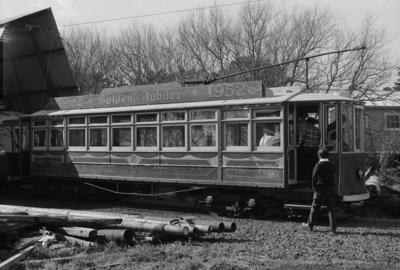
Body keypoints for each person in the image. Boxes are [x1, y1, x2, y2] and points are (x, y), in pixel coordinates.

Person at [302, 148, 337, 234]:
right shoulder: (331, 164)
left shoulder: (318, 165)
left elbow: (314, 177)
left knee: (315, 208)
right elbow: (334, 171)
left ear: (319, 156)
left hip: (320, 189)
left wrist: (314, 187)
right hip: (331, 189)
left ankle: (310, 226)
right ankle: (333, 229)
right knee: (331, 209)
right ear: (328, 155)